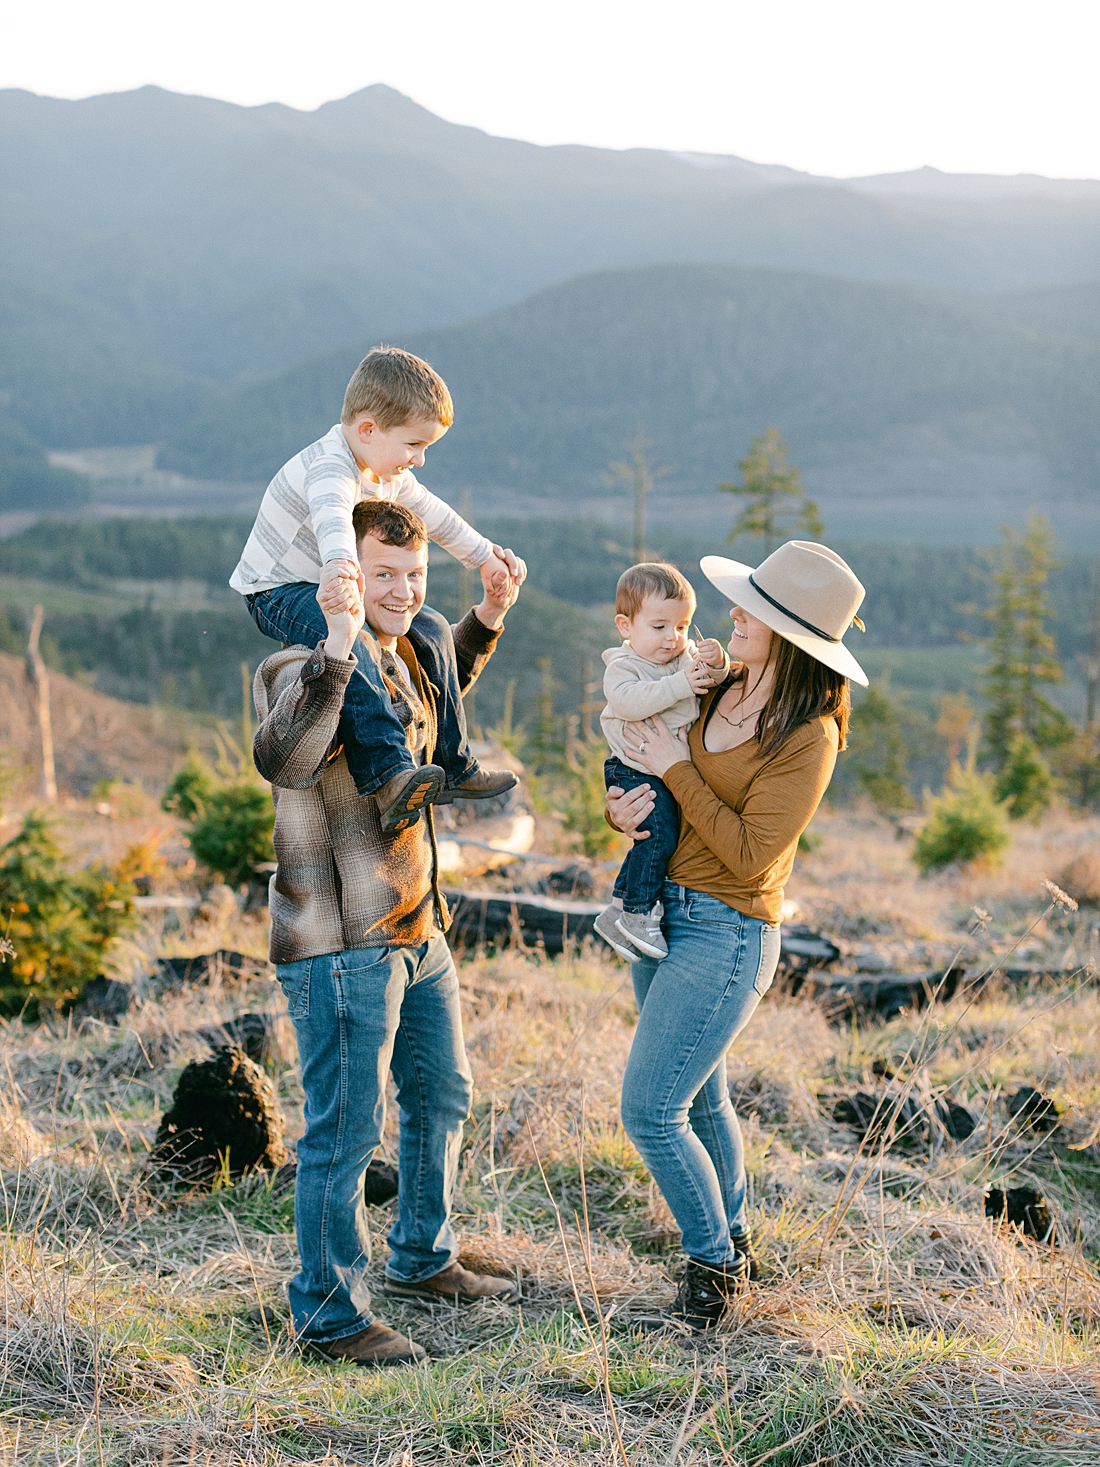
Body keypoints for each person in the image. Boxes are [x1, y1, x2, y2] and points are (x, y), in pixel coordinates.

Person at [253, 499, 521, 1368]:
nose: (403, 592)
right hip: (341, 940)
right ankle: (328, 1313)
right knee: (344, 1130)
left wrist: (482, 620)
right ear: (341, 577)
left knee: (441, 1093)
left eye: (414, 577)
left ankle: (420, 1255)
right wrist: (335, 644)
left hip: (418, 927)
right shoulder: (301, 662)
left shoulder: (403, 651)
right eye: (384, 576)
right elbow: (285, 756)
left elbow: (438, 712)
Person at [604, 540, 868, 1335]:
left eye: (752, 608)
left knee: (651, 1109)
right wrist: (619, 811)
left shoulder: (809, 736)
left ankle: (713, 1267)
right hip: (667, 913)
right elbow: (648, 753)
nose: (732, 614)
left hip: (728, 932)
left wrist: (680, 766)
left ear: (789, 633)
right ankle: (739, 1244)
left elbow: (754, 850)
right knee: (704, 1099)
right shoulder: (720, 681)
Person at [233, 344, 524, 833]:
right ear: (368, 429)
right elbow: (332, 523)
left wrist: (485, 556)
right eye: (414, 445)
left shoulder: (379, 469)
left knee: (429, 623)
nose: (421, 459)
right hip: (278, 590)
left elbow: (436, 515)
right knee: (360, 643)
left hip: (330, 578)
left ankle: (453, 763)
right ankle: (389, 775)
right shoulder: (330, 468)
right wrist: (345, 568)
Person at [593, 563, 729, 961]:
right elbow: (629, 702)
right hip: (633, 768)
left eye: (683, 626)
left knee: (653, 836)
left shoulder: (682, 657)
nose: (673, 638)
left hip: (660, 768)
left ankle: (617, 909)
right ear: (625, 626)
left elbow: (712, 679)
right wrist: (682, 682)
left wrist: (715, 663)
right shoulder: (624, 666)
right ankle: (638, 913)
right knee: (658, 836)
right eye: (659, 627)